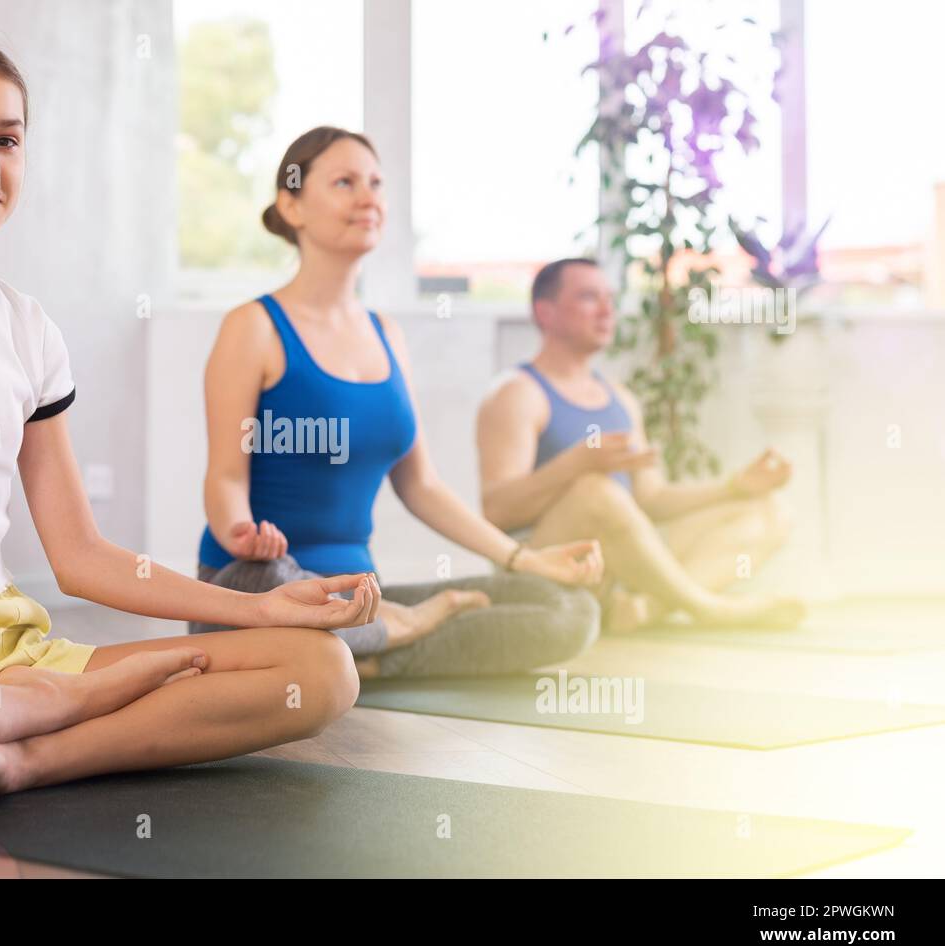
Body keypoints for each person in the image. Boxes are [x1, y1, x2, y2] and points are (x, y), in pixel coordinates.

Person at [0, 31, 382, 807]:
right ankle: (58, 707)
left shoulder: (30, 329)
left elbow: (81, 554)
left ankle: (27, 759)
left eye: (6, 139)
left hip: (13, 652)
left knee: (323, 671)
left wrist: (257, 607)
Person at [190, 127, 605, 679]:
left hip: (359, 598)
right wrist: (240, 530)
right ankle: (381, 639)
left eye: (376, 183)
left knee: (566, 609)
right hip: (254, 584)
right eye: (344, 183)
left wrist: (523, 558)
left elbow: (422, 486)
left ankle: (366, 653)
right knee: (278, 590)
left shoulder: (387, 335)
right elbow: (224, 477)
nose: (369, 198)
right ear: (292, 205)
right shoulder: (253, 327)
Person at [476, 257, 803, 632]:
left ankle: (644, 609)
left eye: (609, 299)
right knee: (594, 491)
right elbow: (497, 511)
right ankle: (710, 608)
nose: (606, 311)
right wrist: (577, 463)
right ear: (545, 312)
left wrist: (734, 487)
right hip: (547, 567)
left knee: (768, 511)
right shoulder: (517, 394)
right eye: (588, 298)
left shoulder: (621, 399)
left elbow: (651, 499)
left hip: (620, 565)